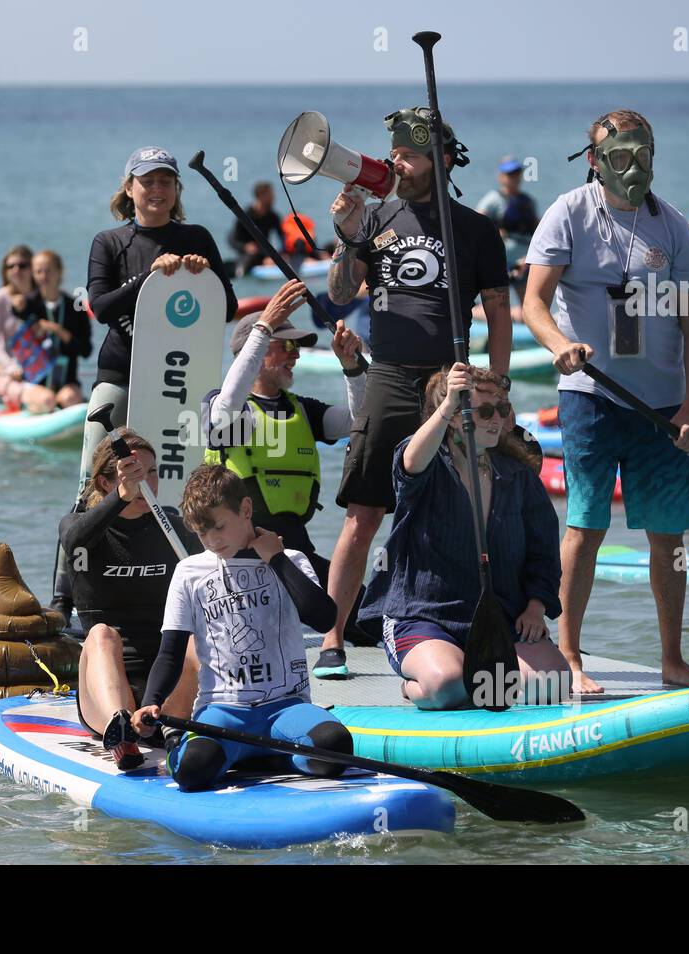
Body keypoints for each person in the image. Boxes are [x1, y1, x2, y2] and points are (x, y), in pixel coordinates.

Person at [523, 109, 689, 693]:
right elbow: (533, 300)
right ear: (595, 160)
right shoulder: (568, 213)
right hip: (590, 395)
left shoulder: (672, 226)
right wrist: (559, 345)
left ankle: (673, 660)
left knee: (668, 537)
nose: (633, 167)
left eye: (643, 155)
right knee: (586, 525)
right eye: (621, 157)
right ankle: (572, 656)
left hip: (659, 408)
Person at [319, 105, 513, 680]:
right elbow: (338, 292)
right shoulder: (376, 217)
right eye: (395, 153)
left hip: (450, 377)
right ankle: (333, 634)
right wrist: (346, 235)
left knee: (470, 507)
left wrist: (497, 385)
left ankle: (476, 616)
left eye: (408, 154)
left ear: (442, 159)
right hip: (390, 374)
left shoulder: (476, 229)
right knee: (363, 511)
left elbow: (499, 313)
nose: (396, 163)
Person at [51, 146, 237, 618]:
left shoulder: (197, 236)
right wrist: (147, 281)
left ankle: (198, 582)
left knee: (183, 475)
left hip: (179, 375)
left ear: (176, 191)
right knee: (91, 479)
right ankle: (64, 598)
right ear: (128, 188)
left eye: (166, 181)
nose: (156, 189)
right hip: (122, 374)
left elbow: (227, 308)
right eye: (147, 180)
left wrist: (204, 275)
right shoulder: (109, 241)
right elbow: (101, 307)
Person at [130, 464, 352, 791]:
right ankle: (208, 748)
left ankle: (270, 753)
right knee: (193, 772)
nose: (212, 540)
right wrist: (152, 700)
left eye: (219, 527)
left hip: (287, 707)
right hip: (223, 713)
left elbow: (323, 618)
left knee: (336, 746)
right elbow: (170, 652)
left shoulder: (291, 559)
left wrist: (276, 559)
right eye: (202, 533)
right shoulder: (189, 572)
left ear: (245, 509)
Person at [358, 364, 566, 708]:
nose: (497, 418)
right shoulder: (426, 463)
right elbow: (410, 462)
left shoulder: (520, 476)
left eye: (501, 408)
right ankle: (415, 686)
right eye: (484, 411)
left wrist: (535, 606)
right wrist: (449, 403)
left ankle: (476, 671)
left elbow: (543, 554)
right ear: (454, 416)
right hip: (422, 614)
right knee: (449, 685)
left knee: (551, 684)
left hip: (499, 616)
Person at [204, 279, 371, 661]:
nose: (295, 355)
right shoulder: (226, 408)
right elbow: (223, 412)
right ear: (258, 353)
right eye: (287, 346)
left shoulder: (304, 409)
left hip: (295, 552)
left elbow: (359, 420)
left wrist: (352, 369)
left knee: (373, 608)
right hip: (238, 556)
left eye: (297, 347)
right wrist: (262, 328)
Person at [58, 429, 202, 768]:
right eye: (134, 473)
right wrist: (121, 497)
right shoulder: (78, 526)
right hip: (107, 688)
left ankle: (169, 728)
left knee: (197, 635)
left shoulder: (175, 529)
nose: (146, 481)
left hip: (167, 690)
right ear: (108, 482)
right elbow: (74, 541)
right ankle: (121, 733)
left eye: (151, 472)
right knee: (101, 634)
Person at [0, 244, 57, 413]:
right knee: (45, 399)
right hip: (7, 371)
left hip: (40, 369)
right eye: (10, 266)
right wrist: (10, 365)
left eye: (22, 265)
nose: (16, 270)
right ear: (5, 271)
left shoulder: (45, 297)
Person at [31, 248, 92, 408]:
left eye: (48, 271)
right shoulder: (29, 306)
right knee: (46, 399)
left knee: (69, 398)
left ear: (59, 272)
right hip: (36, 381)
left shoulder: (76, 306)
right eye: (38, 271)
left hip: (67, 381)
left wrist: (58, 331)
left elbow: (86, 351)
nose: (43, 276)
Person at [476, 155, 539, 271]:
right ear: (501, 177)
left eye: (517, 173)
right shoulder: (493, 199)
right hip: (502, 258)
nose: (514, 177)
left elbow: (539, 229)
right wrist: (495, 232)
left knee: (528, 289)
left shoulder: (528, 201)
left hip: (526, 258)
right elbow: (476, 223)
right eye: (510, 174)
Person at [229, 180, 283, 277]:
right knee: (244, 267)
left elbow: (282, 237)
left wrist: (282, 254)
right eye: (270, 194)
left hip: (264, 253)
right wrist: (245, 247)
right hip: (246, 256)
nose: (273, 197)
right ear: (261, 195)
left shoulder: (273, 216)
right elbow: (232, 239)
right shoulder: (245, 215)